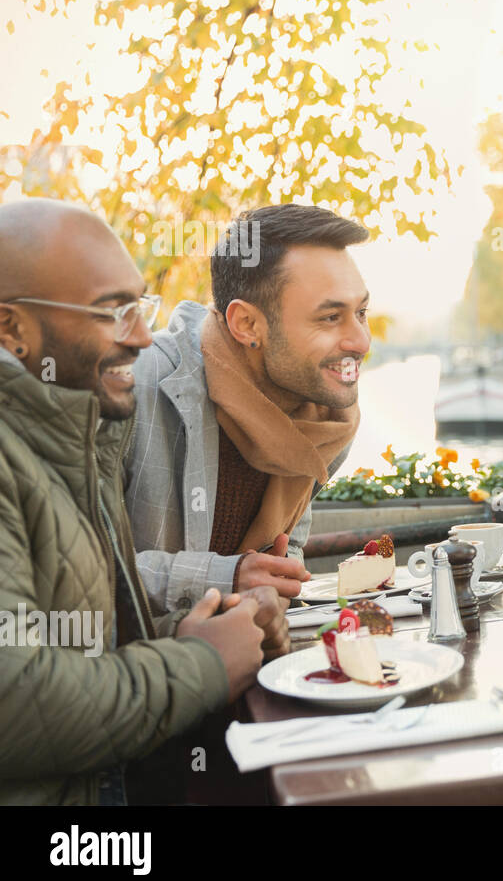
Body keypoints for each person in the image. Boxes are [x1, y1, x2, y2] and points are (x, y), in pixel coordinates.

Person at [0, 199, 275, 805]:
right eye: (111, 312)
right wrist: (203, 665)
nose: (142, 336)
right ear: (11, 329)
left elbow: (76, 642)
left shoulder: (75, 433)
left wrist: (209, 628)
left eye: (140, 305)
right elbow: (14, 700)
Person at [126, 204, 370, 616]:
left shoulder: (323, 421)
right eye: (330, 317)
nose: (361, 341)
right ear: (247, 325)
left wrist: (268, 594)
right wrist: (223, 578)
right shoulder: (132, 386)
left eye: (361, 312)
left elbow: (280, 556)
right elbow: (73, 573)